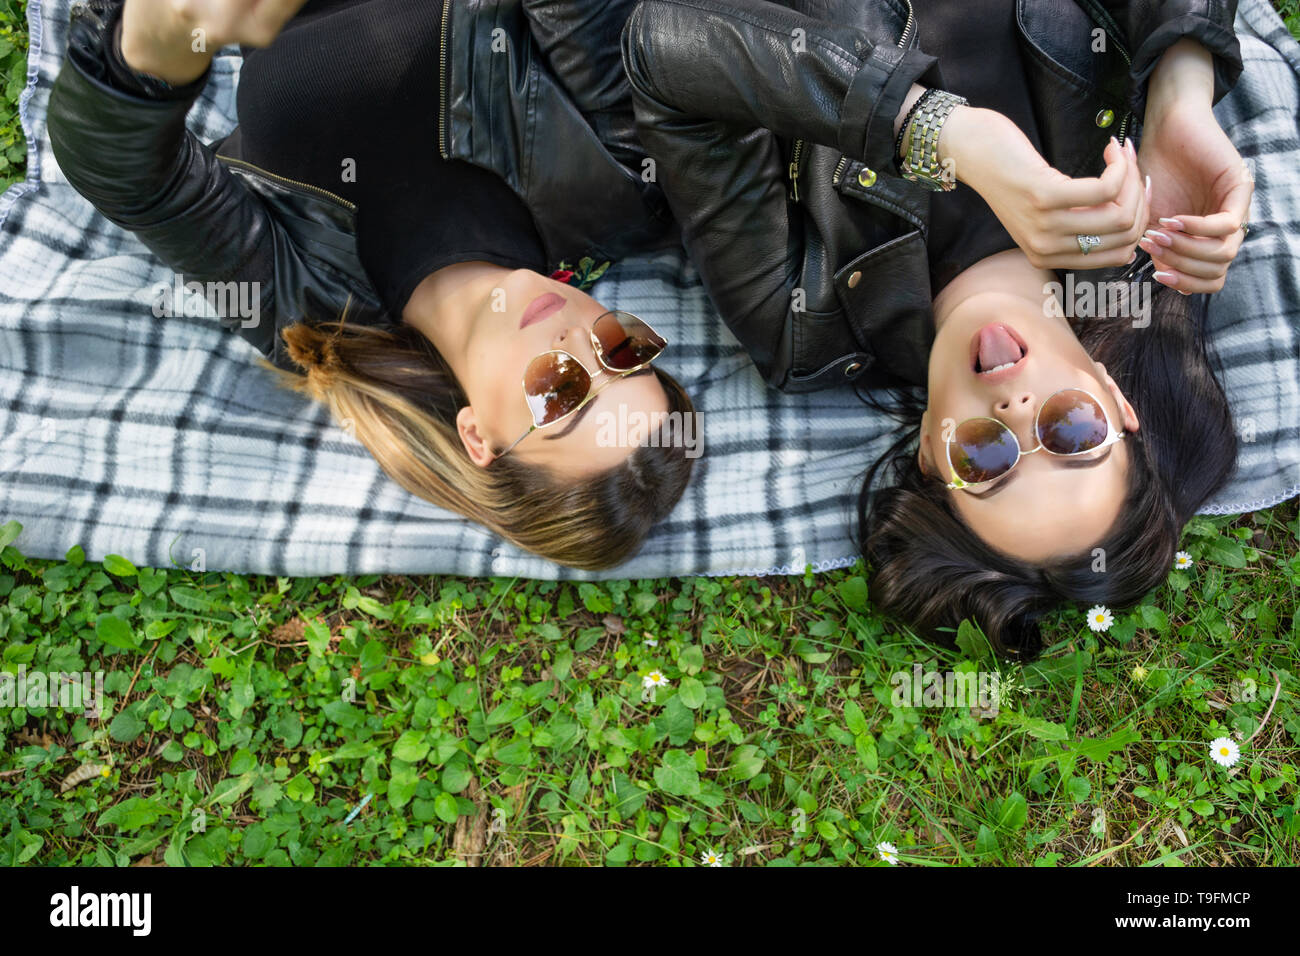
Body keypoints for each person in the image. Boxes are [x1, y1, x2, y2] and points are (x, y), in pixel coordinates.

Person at [622, 0, 1252, 653]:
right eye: (1071, 432)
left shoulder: (798, 321)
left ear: (929, 451)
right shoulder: (1144, 214)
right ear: (1113, 399)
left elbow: (661, 46)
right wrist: (1180, 92)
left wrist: (929, 131)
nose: (1016, 409)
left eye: (985, 458)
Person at [47, 0, 697, 570]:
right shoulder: (615, 184)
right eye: (621, 352)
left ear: (479, 437)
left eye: (560, 394)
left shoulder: (315, 312)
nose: (576, 338)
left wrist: (151, 45)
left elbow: (139, 184)